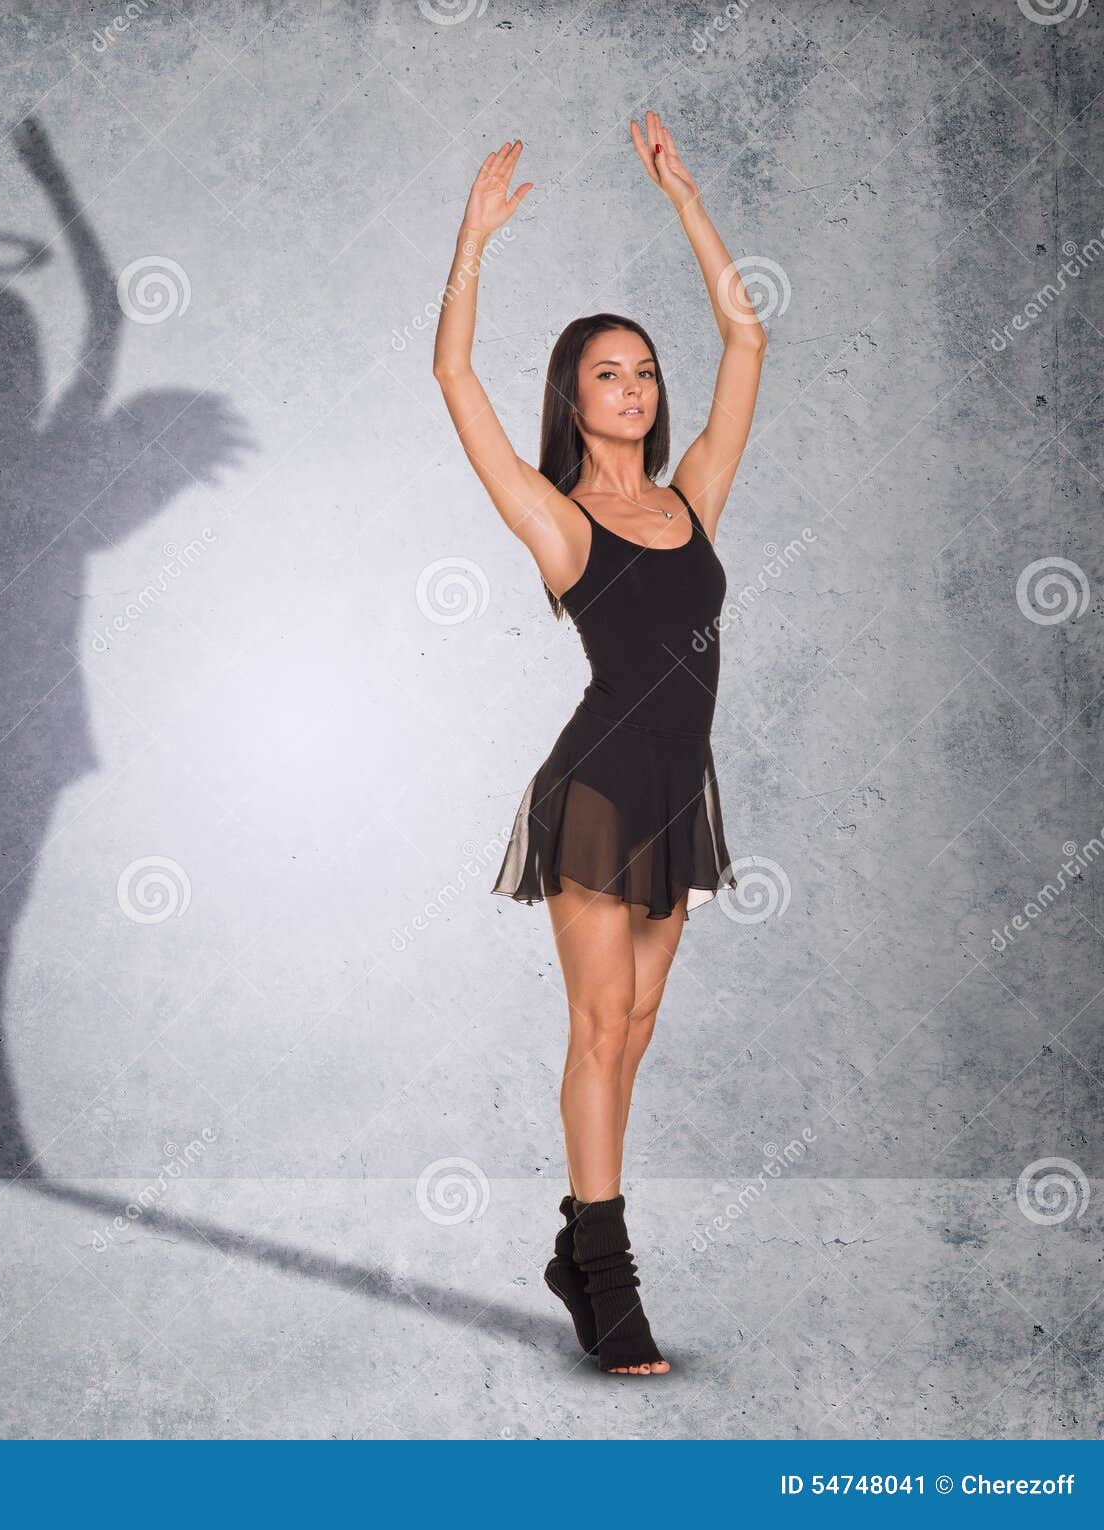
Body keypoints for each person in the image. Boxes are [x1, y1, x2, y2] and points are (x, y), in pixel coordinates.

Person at [431, 115, 767, 1374]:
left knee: (632, 1037)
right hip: (597, 793)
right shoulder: (560, 521)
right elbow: (455, 385)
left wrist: (686, 201)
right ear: (574, 398)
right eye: (608, 373)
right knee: (598, 1023)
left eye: (642, 371)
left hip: (680, 794)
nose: (632, 387)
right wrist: (471, 243)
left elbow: (747, 338)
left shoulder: (692, 495)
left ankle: (579, 1242)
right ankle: (609, 1280)